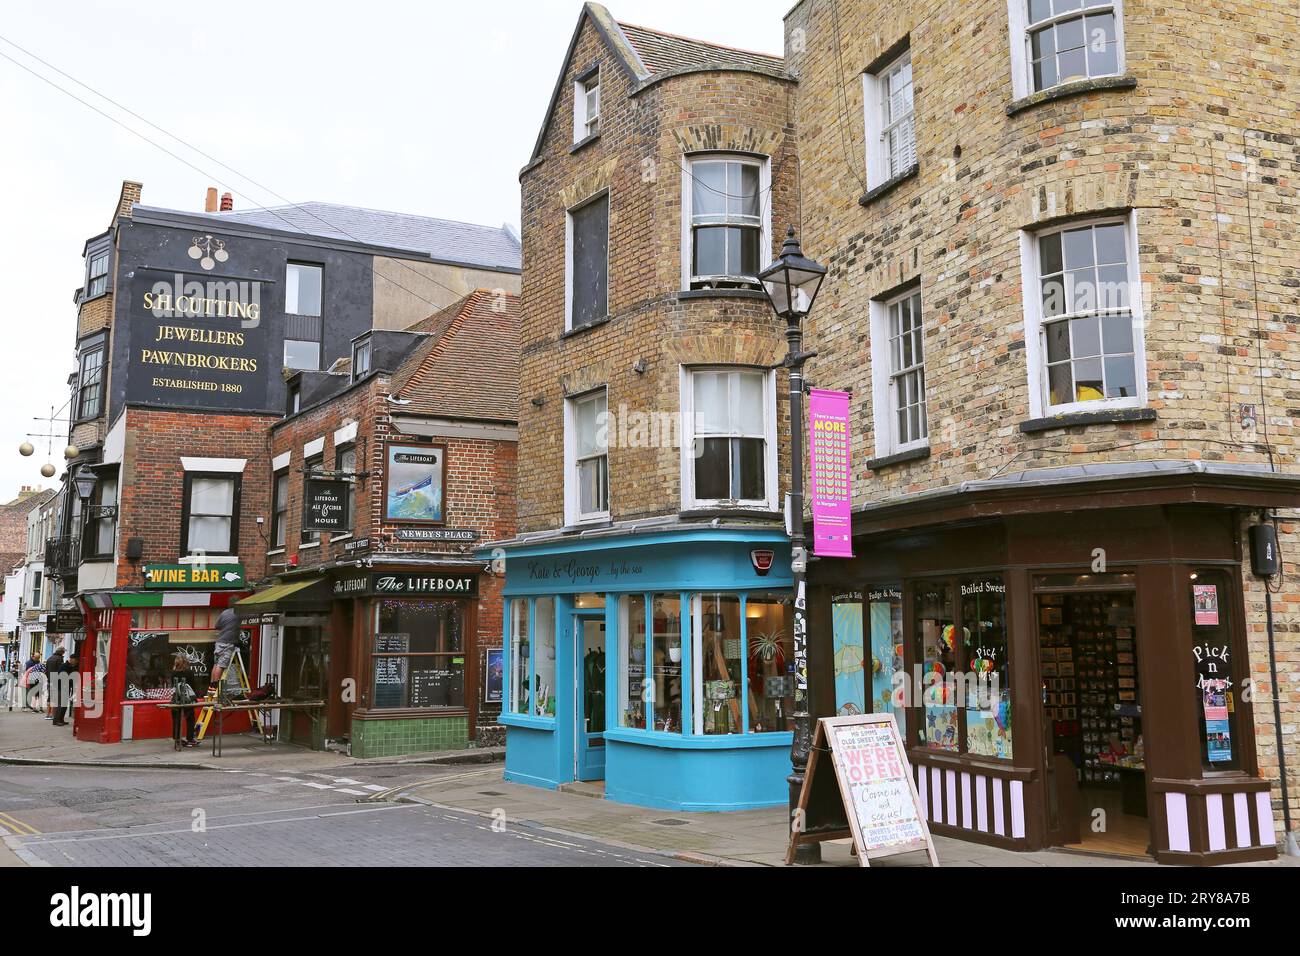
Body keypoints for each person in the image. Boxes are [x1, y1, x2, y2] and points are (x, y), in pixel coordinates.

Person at [170, 651, 198, 750]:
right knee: (190, 719)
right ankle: (190, 738)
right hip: (187, 699)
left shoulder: (173, 673)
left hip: (176, 698)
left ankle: (177, 739)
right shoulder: (189, 672)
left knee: (176, 720)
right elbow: (193, 686)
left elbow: (172, 686)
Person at [209, 607, 241, 692]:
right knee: (221, 665)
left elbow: (217, 626)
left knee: (216, 664)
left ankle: (211, 686)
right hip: (228, 642)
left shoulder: (224, 613)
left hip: (219, 642)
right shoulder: (239, 612)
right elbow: (252, 617)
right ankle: (215, 687)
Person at [50, 652, 77, 727]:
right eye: (75, 660)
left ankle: (61, 719)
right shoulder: (64, 666)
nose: (76, 662)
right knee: (60, 704)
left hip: (66, 687)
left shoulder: (70, 666)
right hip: (61, 687)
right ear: (71, 659)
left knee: (64, 704)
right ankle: (56, 720)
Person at [42, 649, 63, 720]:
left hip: (49, 680)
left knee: (50, 697)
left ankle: (47, 714)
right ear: (61, 652)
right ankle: (52, 714)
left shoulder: (49, 658)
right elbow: (60, 671)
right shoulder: (59, 659)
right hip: (56, 681)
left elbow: (46, 670)